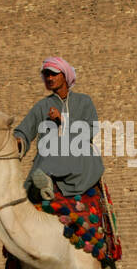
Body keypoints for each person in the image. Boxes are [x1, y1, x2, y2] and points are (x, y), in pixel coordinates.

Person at [12, 56, 103, 201]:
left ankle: (45, 178)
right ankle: (44, 184)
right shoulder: (42, 106)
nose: (49, 78)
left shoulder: (84, 101)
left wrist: (63, 120)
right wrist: (17, 140)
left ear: (65, 76)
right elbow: (24, 130)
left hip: (79, 158)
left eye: (54, 74)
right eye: (46, 75)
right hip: (48, 158)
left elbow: (92, 129)